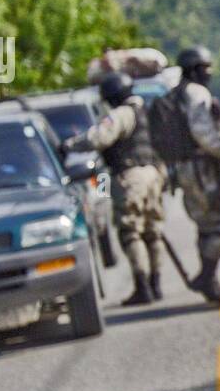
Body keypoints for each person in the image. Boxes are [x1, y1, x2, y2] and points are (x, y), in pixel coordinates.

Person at [65, 71, 166, 306]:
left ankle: (143, 287)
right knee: (153, 231)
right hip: (153, 173)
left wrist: (69, 145)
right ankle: (156, 284)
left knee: (131, 231)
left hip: (131, 176)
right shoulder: (147, 112)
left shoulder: (121, 114)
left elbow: (99, 138)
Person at [171, 46, 220, 304]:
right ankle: (206, 275)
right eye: (206, 68)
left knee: (205, 225)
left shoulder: (176, 95)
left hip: (185, 169)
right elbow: (202, 132)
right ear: (196, 69)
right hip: (202, 169)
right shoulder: (196, 93)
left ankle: (210, 284)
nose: (209, 74)